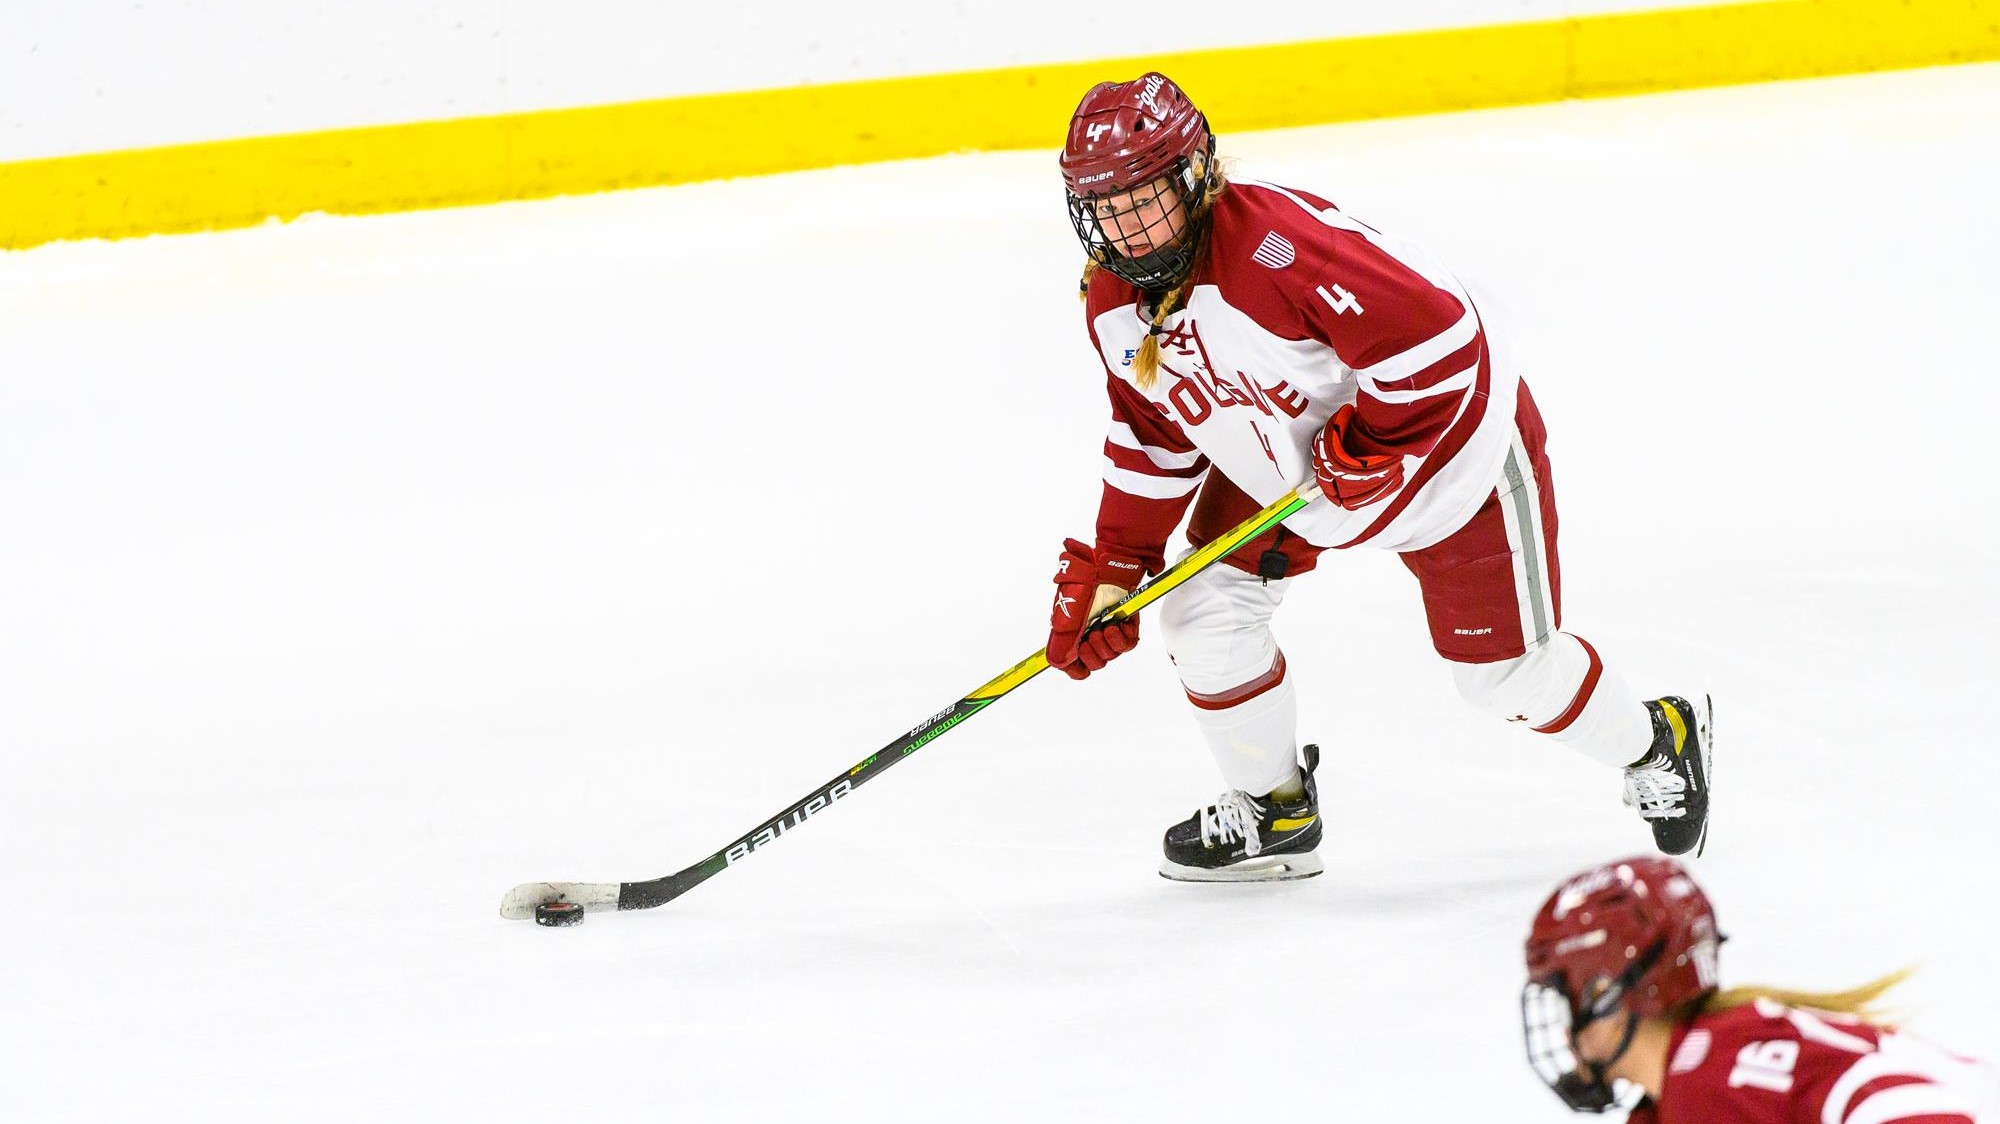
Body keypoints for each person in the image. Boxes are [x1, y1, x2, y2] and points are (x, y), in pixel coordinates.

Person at [1043, 72, 1713, 882]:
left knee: (1504, 680)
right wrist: (1118, 565)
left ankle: (1660, 739)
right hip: (1300, 476)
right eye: (1105, 206)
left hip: (1450, 462)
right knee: (1200, 612)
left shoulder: (1276, 249)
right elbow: (1156, 432)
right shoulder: (1113, 303)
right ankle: (1275, 812)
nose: (1125, 227)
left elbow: (1445, 341)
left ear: (1195, 177)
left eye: (1142, 197)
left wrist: (1368, 444)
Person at [1522, 856, 1999, 1121]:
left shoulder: (1716, 1077)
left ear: (1612, 995)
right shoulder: (1703, 1067)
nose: (1565, 1033)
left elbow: (1912, 1108)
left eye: (1570, 997)